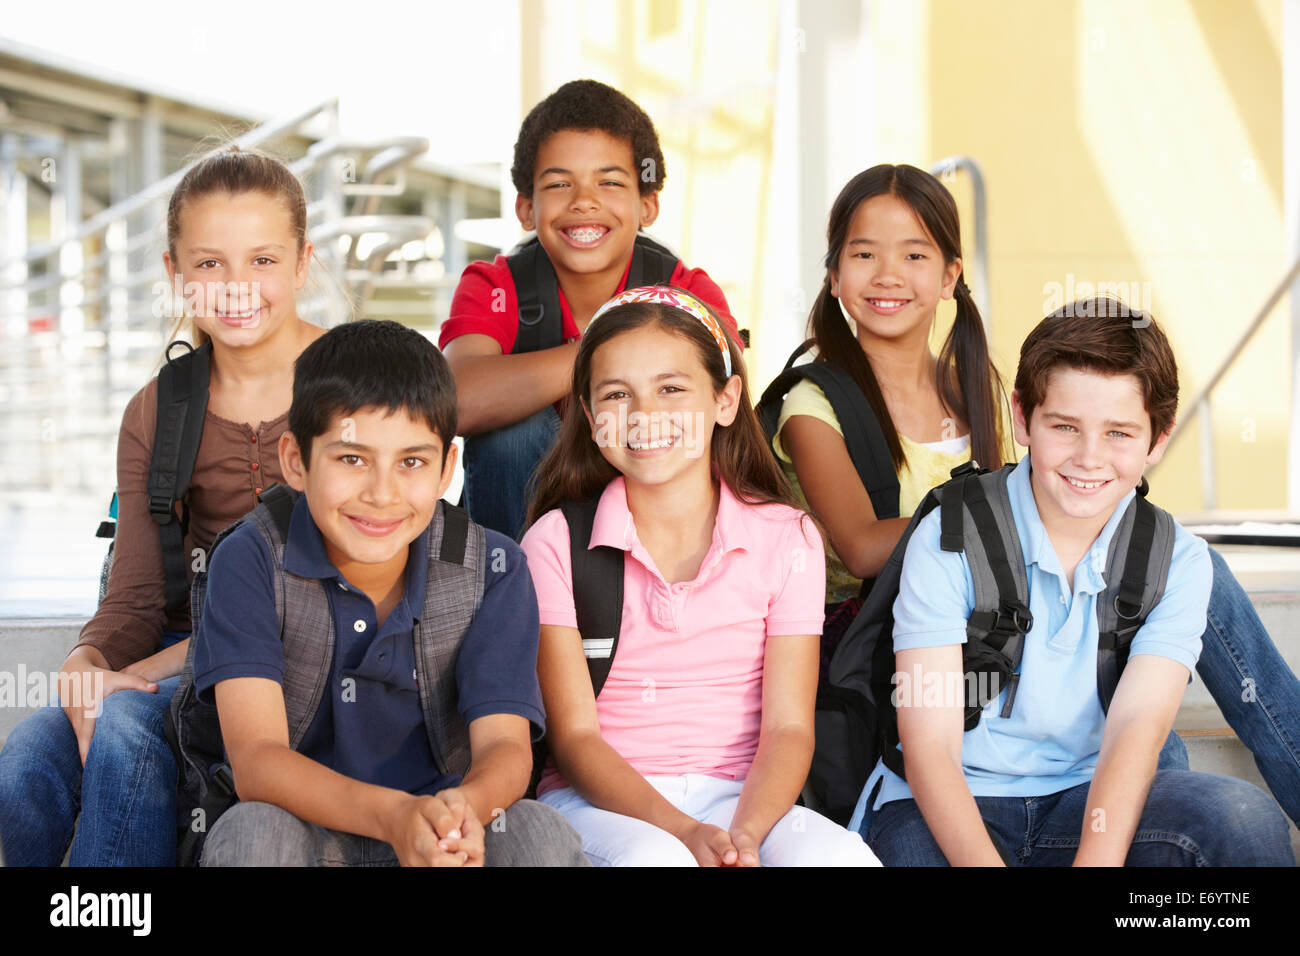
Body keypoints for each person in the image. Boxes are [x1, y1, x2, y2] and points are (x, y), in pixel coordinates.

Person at [773, 163, 1300, 826]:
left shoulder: (975, 386)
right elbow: (861, 545)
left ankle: (1157, 783)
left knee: (1169, 574)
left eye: (913, 254)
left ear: (950, 276)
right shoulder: (814, 400)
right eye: (864, 254)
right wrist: (967, 518)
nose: (887, 274)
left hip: (1004, 608)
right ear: (833, 274)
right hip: (895, 635)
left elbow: (1043, 505)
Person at [852, 303, 1293, 866]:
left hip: (1089, 798)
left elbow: (1137, 728)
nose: (1089, 457)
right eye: (1064, 426)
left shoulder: (1178, 559)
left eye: (1119, 433)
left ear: (1157, 440)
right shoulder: (950, 535)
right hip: (952, 801)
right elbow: (929, 747)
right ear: (1021, 417)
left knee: (1241, 821)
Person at [0, 147, 327, 865]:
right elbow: (138, 596)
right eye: (209, 264)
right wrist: (88, 660)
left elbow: (325, 594)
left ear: (304, 264)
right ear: (176, 274)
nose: (236, 286)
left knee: (121, 721)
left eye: (263, 261)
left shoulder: (352, 384)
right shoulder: (159, 410)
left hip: (303, 664)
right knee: (26, 760)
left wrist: (135, 680)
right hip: (177, 666)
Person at [191, 320, 586, 867]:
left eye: (412, 462)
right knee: (254, 832)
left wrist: (464, 811)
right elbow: (258, 760)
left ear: (448, 467)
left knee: (537, 831)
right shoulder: (252, 557)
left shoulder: (493, 568)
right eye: (352, 459)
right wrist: (395, 817)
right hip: (312, 832)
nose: (382, 494)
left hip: (441, 830)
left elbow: (504, 747)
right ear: (296, 462)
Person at [520, 285, 879, 866]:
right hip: (603, 805)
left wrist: (745, 836)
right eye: (617, 394)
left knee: (841, 858)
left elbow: (788, 727)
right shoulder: (556, 543)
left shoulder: (788, 538)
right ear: (589, 417)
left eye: (671, 389)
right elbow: (576, 739)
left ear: (727, 399)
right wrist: (684, 833)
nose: (645, 416)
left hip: (745, 799)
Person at [441, 79, 738, 541]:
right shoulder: (496, 285)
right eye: (560, 183)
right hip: (523, 522)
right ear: (525, 207)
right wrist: (602, 351)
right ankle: (511, 596)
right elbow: (455, 401)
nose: (584, 201)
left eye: (610, 182)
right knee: (510, 433)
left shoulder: (685, 289)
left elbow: (723, 404)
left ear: (647, 204)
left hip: (653, 502)